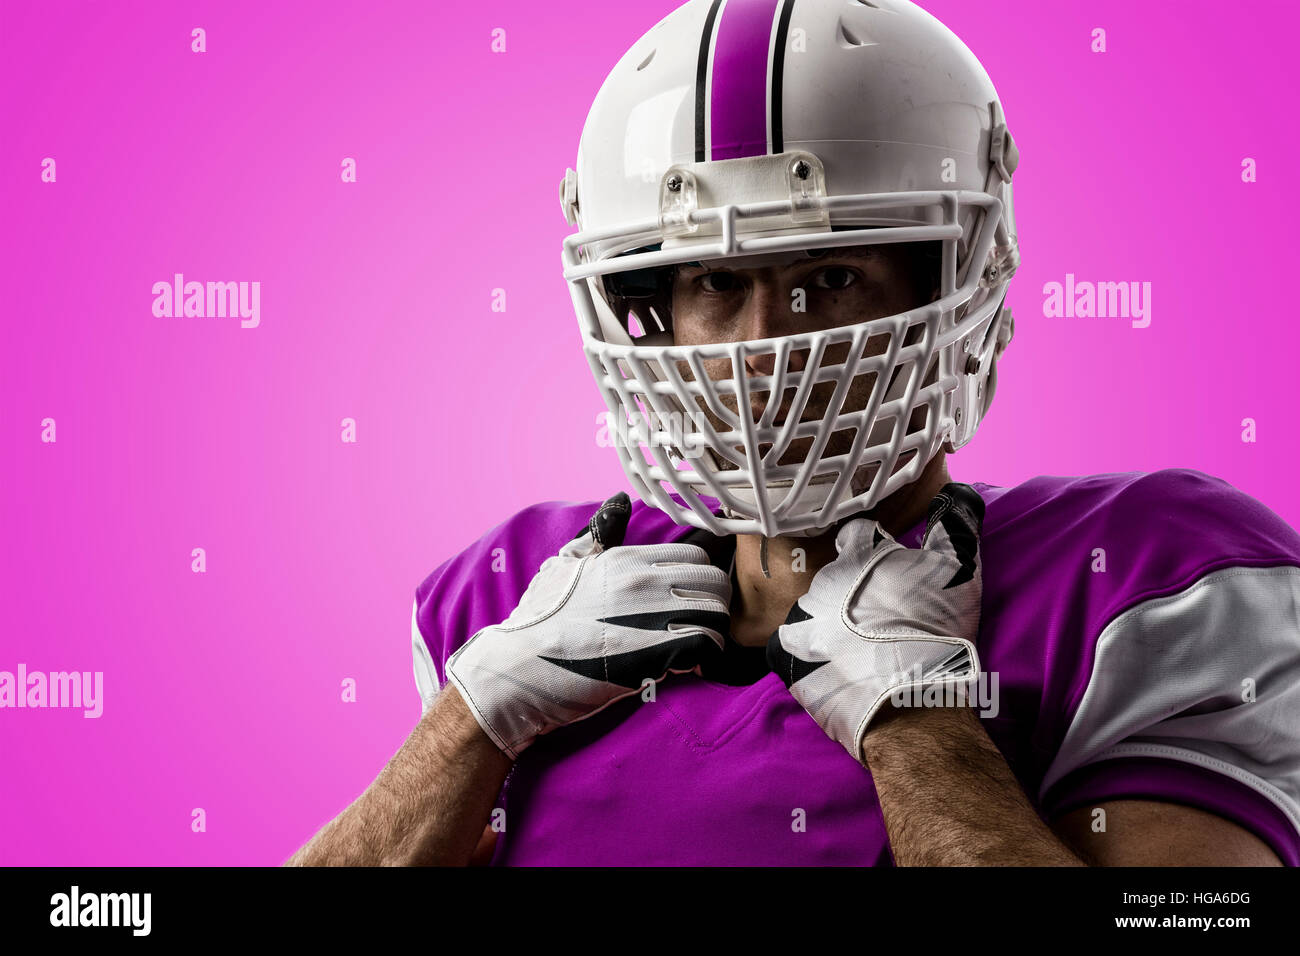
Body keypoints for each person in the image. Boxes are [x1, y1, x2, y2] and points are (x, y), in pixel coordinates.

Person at [286, 0, 1300, 866]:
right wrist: (472, 720)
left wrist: (917, 723)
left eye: (829, 277)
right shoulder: (509, 591)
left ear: (951, 284)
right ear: (650, 308)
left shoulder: (1132, 576)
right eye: (717, 282)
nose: (766, 345)